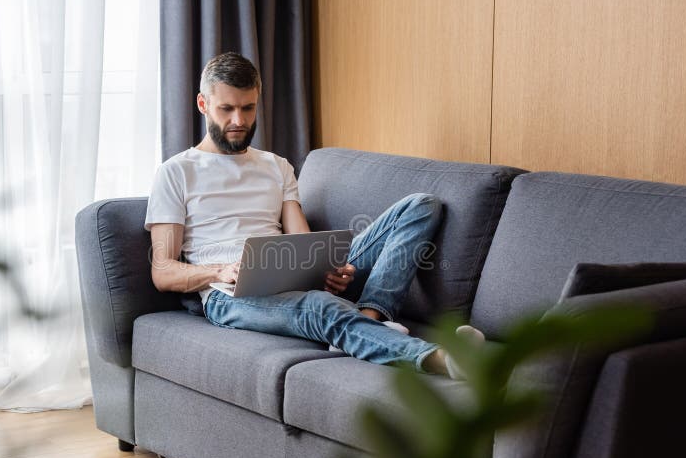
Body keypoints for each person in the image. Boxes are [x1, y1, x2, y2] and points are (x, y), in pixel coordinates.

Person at [145, 52, 483, 378]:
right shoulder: (177, 172)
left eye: (248, 108)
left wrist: (325, 271)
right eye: (227, 109)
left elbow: (303, 243)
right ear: (203, 104)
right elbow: (163, 271)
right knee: (319, 307)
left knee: (421, 206)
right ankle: (439, 358)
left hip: (287, 275)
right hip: (230, 296)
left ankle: (370, 315)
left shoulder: (276, 166)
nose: (239, 121)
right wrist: (222, 269)